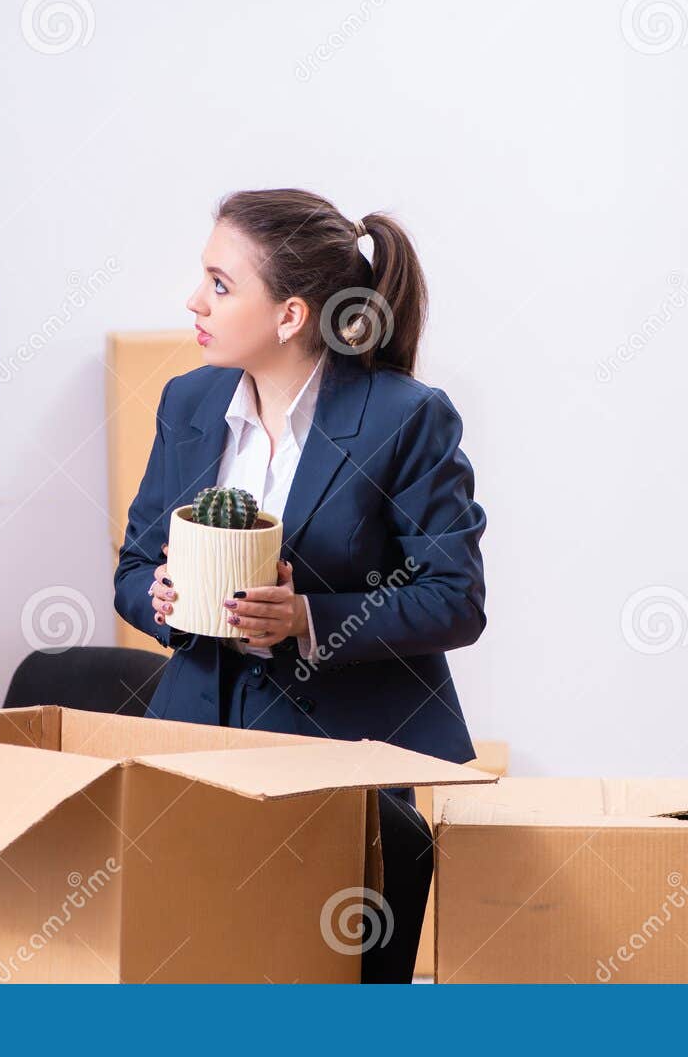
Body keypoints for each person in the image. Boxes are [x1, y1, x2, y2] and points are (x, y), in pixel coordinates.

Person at [113, 188, 488, 982]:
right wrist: (163, 601)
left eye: (220, 284)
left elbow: (455, 595)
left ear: (289, 315)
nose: (194, 300)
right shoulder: (189, 402)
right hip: (198, 753)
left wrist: (310, 618)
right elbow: (134, 567)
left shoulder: (405, 418)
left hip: (343, 766)